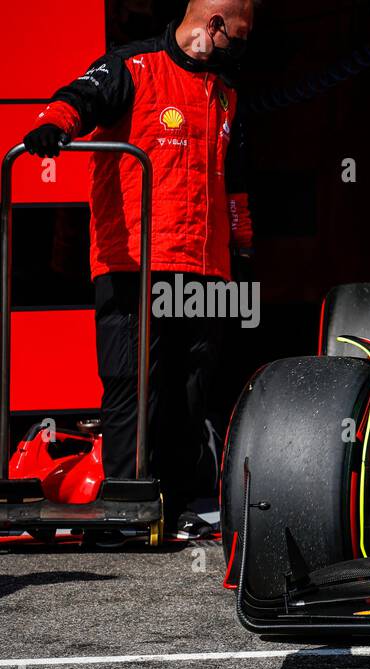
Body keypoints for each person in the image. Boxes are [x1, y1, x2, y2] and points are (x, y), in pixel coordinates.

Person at [23, 0, 256, 541]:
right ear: (213, 26)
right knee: (133, 383)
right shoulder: (134, 66)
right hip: (134, 262)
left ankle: (174, 505)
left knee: (191, 386)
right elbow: (78, 98)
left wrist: (242, 245)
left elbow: (234, 179)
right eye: (241, 37)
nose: (245, 49)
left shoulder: (226, 94)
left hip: (206, 269)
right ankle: (125, 507)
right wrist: (51, 127)